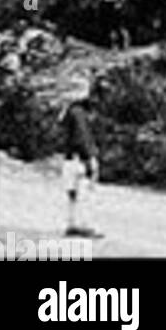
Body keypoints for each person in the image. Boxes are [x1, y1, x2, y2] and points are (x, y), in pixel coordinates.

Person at [62, 84, 101, 238]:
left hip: (69, 157)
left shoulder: (68, 111)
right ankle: (85, 225)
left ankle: (71, 223)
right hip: (79, 158)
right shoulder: (79, 113)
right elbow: (82, 137)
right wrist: (90, 157)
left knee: (72, 193)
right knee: (86, 193)